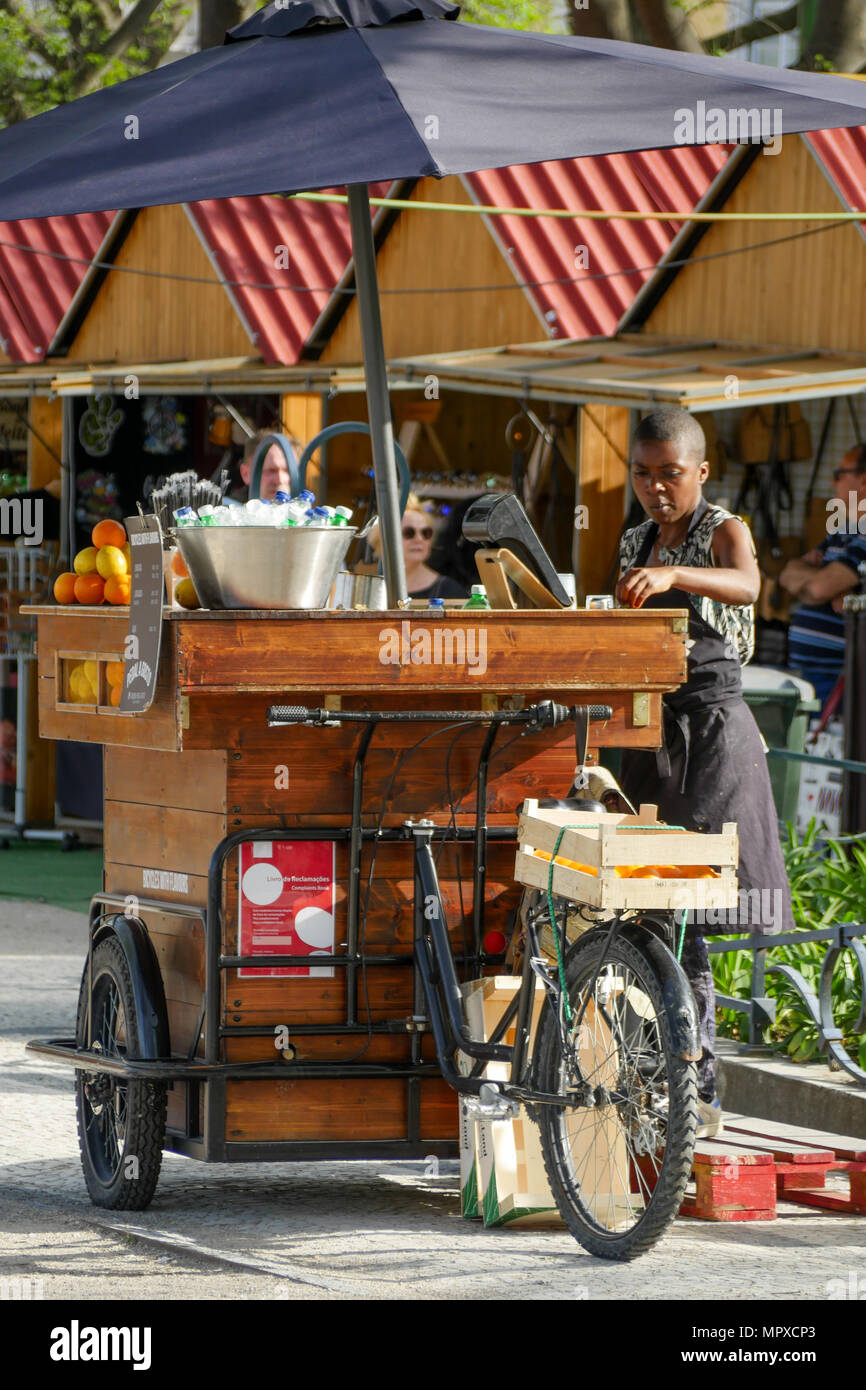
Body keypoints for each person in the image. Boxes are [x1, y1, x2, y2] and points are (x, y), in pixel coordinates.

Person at [615, 406, 793, 1138]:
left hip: (714, 735)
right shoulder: (631, 537)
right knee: (648, 908)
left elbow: (749, 586)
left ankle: (700, 1088)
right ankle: (663, 1076)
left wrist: (674, 572)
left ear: (702, 472)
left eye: (670, 475)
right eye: (642, 474)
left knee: (695, 908)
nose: (656, 489)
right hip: (651, 732)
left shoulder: (723, 528)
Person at [780, 445, 866, 704]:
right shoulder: (841, 534)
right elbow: (788, 573)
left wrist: (817, 582)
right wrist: (823, 583)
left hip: (841, 679)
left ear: (863, 480)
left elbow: (816, 588)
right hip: (814, 676)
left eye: (839, 474)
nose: (832, 482)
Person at [369, 495, 468, 600]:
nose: (419, 539)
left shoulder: (450, 590)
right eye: (409, 532)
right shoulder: (368, 584)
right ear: (384, 538)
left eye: (426, 533)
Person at [230, 428, 301, 502]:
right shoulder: (229, 511)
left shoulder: (305, 510)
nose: (281, 480)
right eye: (271, 471)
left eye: (288, 471)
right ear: (246, 474)